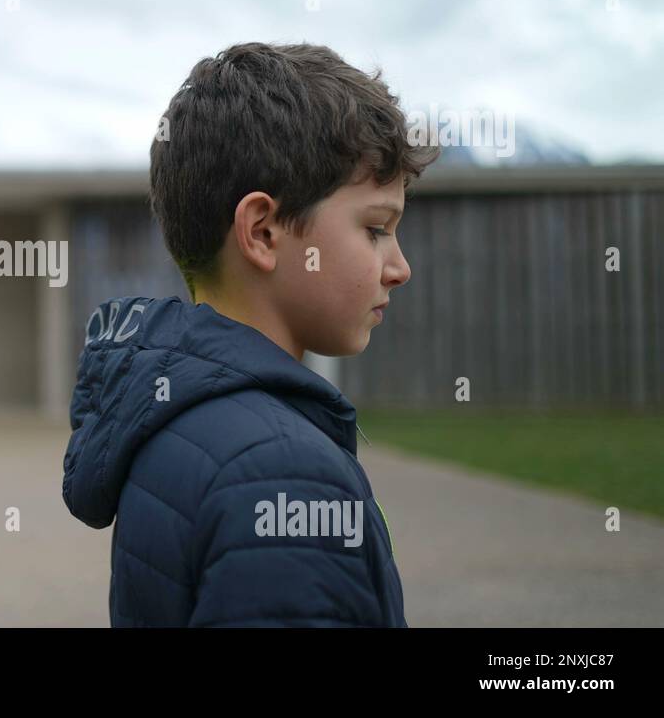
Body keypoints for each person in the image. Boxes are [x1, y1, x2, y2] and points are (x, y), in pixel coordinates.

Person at [61, 42, 437, 627]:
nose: (399, 266)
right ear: (262, 232)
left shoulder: (171, 420)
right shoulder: (285, 474)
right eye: (376, 229)